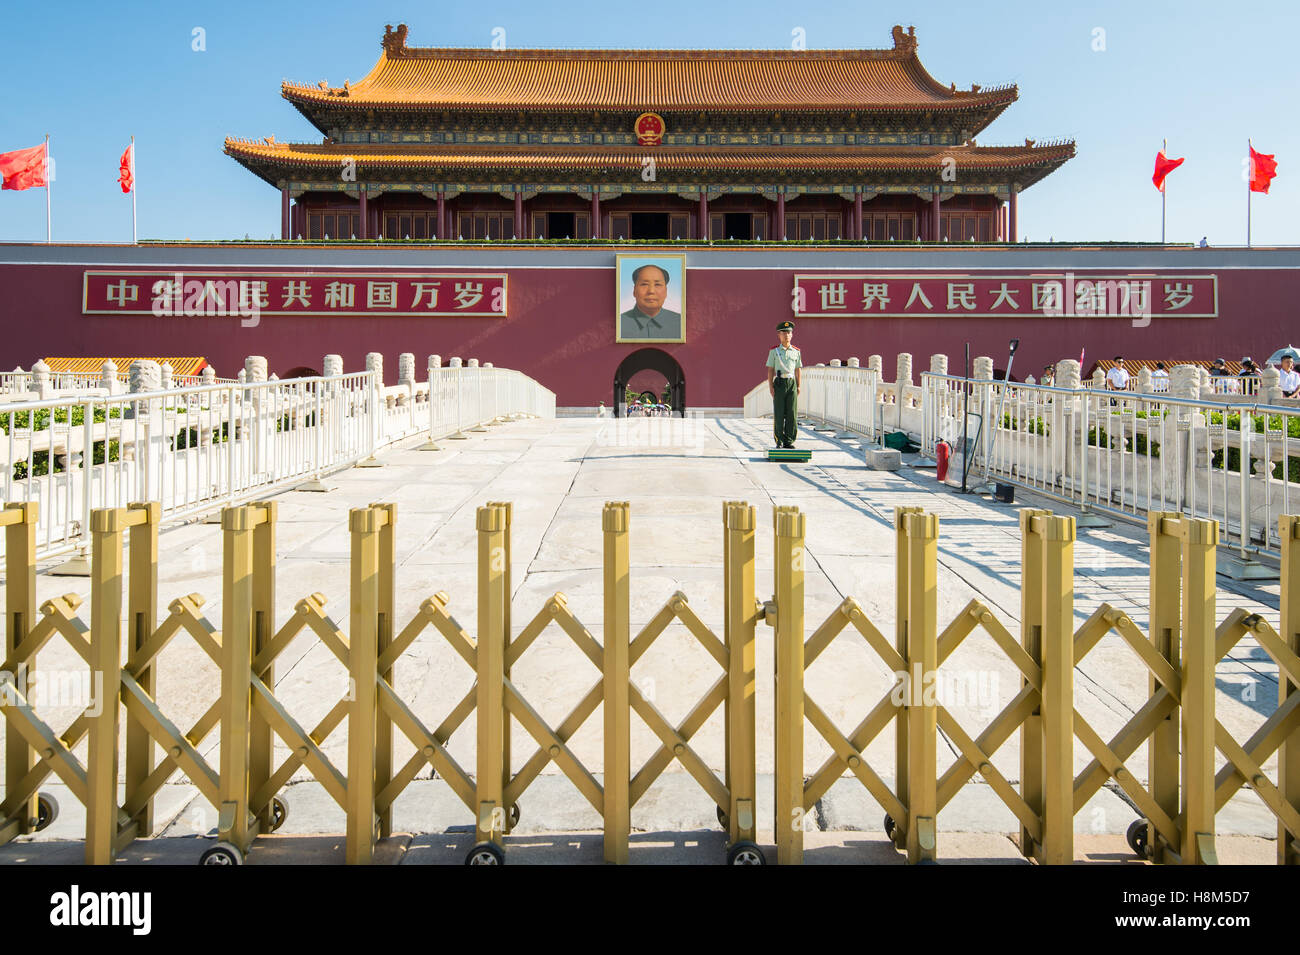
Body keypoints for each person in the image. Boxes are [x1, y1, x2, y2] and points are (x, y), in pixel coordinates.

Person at [619, 264, 682, 340]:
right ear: (634, 290)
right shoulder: (618, 324)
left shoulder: (681, 323)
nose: (651, 291)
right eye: (644, 284)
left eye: (657, 284)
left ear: (666, 291)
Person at [766, 320, 802, 449]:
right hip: (780, 382)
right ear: (779, 335)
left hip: (791, 382)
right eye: (784, 333)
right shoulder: (774, 351)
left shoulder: (796, 351)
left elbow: (798, 369)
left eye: (789, 333)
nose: (786, 335)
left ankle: (789, 440)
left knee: (792, 412)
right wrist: (770, 386)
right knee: (779, 412)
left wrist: (798, 386)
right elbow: (770, 370)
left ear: (792, 335)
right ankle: (779, 440)